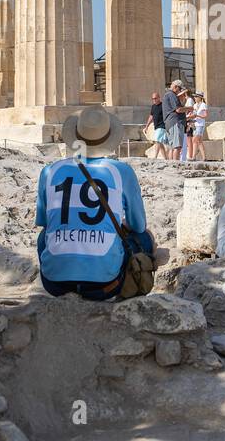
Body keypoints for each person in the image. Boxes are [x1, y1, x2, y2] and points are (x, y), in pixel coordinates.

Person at [36, 107, 154, 300]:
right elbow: (138, 225)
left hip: (54, 284)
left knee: (44, 236)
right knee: (144, 237)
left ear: (75, 136)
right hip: (106, 285)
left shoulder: (49, 171)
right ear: (108, 139)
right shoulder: (122, 171)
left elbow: (44, 222)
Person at [160, 79, 188, 161]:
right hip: (175, 121)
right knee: (177, 146)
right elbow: (178, 109)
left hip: (169, 122)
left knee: (172, 147)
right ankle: (176, 165)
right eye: (179, 89)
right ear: (176, 87)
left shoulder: (167, 95)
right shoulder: (172, 95)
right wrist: (190, 108)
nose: (179, 92)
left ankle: (172, 165)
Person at [188, 91, 209, 161]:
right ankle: (204, 157)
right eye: (194, 96)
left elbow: (205, 115)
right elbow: (193, 114)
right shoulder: (194, 105)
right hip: (195, 124)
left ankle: (194, 157)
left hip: (200, 125)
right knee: (199, 141)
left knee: (194, 140)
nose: (195, 98)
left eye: (196, 96)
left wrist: (197, 115)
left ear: (200, 97)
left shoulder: (203, 105)